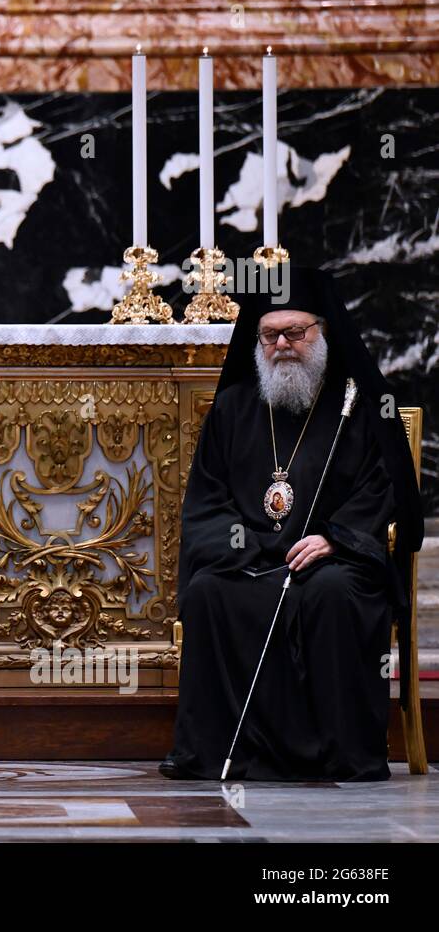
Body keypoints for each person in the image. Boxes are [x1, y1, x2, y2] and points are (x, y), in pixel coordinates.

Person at [161, 266, 423, 781]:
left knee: (331, 594)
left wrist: (335, 539)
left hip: (334, 563)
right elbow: (207, 499)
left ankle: (336, 754)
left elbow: (382, 488)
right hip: (251, 562)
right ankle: (217, 752)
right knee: (209, 593)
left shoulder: (359, 405)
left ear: (323, 332)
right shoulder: (233, 409)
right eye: (269, 335)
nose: (282, 345)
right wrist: (248, 548)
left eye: (295, 332)